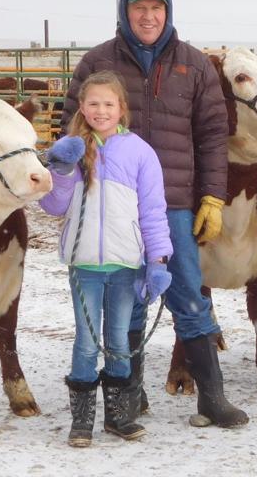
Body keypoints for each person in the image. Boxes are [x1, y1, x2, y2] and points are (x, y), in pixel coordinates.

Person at [59, 0, 248, 427]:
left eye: (156, 8)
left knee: (187, 292)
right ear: (126, 12)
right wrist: (71, 187)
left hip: (174, 202)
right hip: (113, 204)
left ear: (168, 12)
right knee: (127, 293)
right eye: (139, 8)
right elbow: (71, 125)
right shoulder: (98, 62)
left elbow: (212, 135)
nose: (148, 16)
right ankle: (130, 392)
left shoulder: (194, 64)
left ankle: (211, 397)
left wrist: (212, 198)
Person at [41, 71, 174, 446]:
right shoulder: (71, 146)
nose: (101, 110)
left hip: (125, 263)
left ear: (121, 109)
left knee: (117, 339)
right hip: (84, 265)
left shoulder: (139, 152)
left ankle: (119, 415)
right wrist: (62, 170)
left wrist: (158, 260)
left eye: (108, 104)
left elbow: (152, 210)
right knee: (86, 341)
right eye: (94, 103)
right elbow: (53, 206)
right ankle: (81, 421)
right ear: (82, 107)